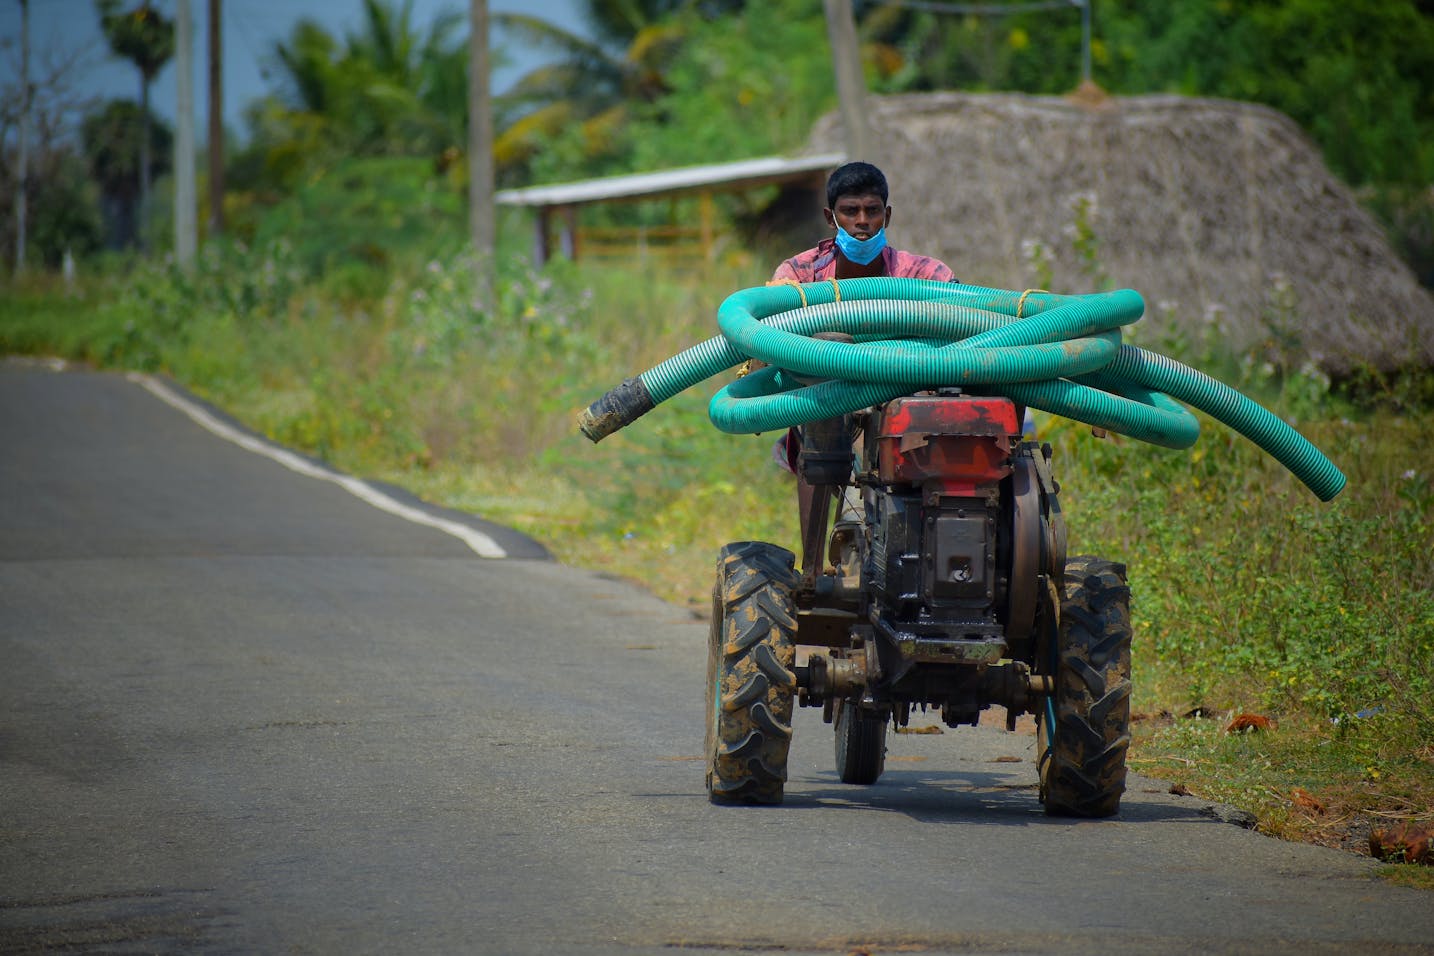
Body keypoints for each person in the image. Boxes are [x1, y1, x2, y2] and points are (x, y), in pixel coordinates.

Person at [766, 161, 959, 566]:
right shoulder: (799, 276)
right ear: (830, 217)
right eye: (850, 211)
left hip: (907, 396)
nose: (862, 222)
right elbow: (772, 331)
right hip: (827, 402)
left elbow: (963, 319)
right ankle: (815, 569)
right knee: (821, 412)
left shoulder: (922, 274)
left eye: (872, 211)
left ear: (887, 215)